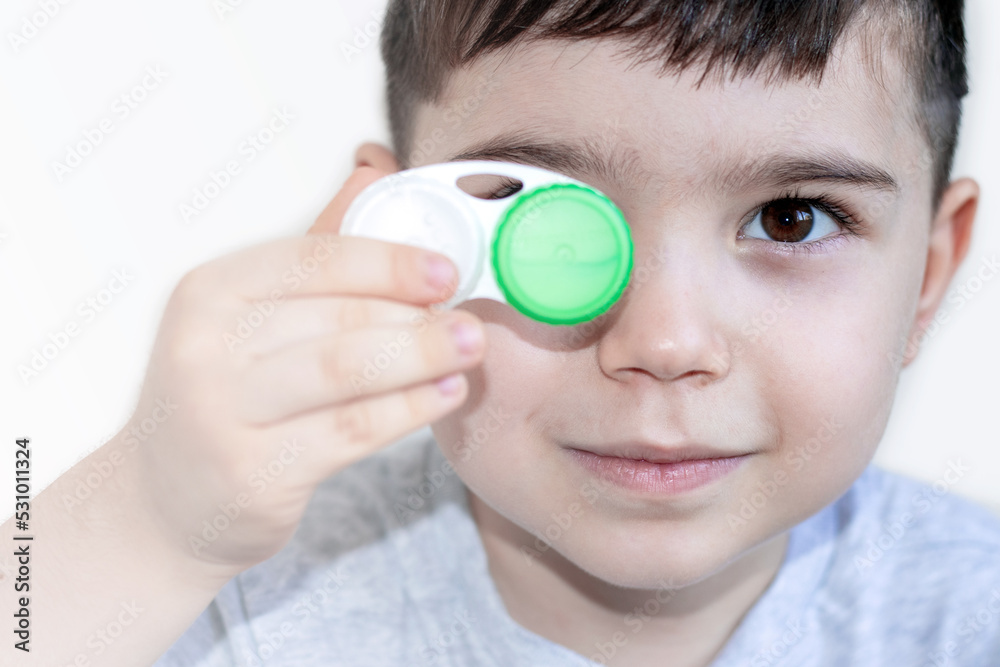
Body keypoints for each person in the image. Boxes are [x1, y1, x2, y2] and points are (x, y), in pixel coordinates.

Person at [4, 0, 999, 665]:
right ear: (391, 221)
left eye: (793, 216)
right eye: (553, 227)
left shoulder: (970, 610)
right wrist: (145, 520)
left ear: (926, 276)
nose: (661, 339)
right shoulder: (232, 606)